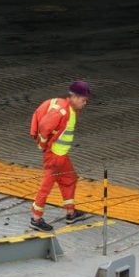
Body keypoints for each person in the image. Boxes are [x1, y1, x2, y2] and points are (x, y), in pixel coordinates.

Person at [29, 80, 92, 232]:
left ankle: (71, 213)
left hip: (61, 155)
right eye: (84, 100)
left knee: (69, 178)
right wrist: (43, 146)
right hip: (55, 156)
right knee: (47, 185)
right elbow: (45, 126)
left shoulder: (70, 110)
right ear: (75, 97)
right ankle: (36, 218)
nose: (85, 104)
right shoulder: (62, 111)